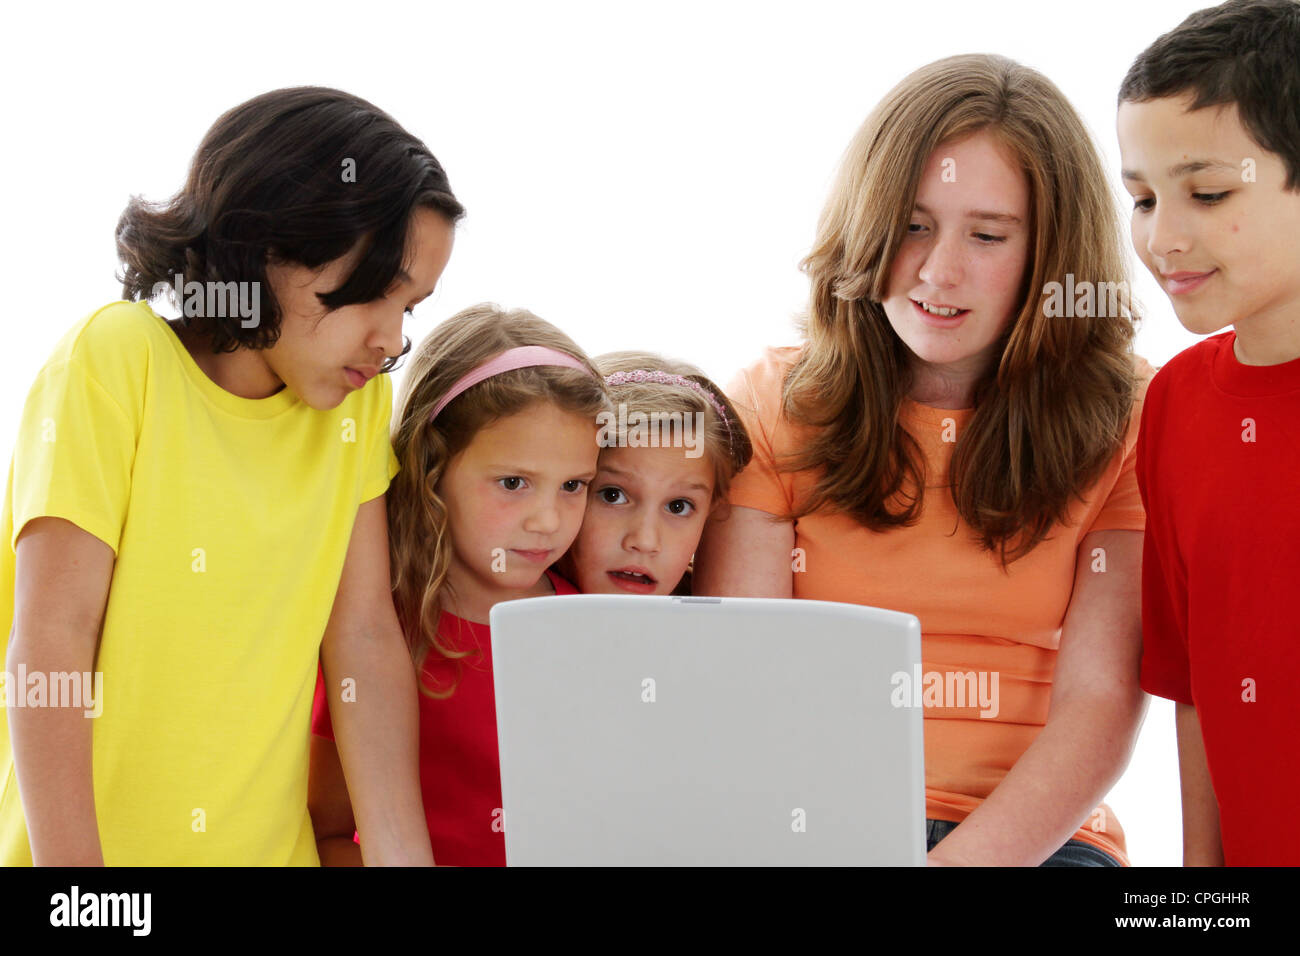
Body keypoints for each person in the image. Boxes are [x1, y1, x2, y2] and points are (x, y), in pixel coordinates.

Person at [695, 54, 1153, 866]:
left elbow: (1100, 707)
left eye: (987, 235)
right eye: (912, 225)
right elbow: (748, 684)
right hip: (815, 823)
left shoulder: (1130, 422)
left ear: (1050, 255)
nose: (940, 272)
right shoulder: (772, 402)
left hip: (1039, 842)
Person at [0, 87, 458, 865]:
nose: (390, 339)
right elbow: (52, 640)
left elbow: (364, 639)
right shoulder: (117, 361)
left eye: (411, 309)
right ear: (265, 244)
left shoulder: (354, 406)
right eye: (374, 294)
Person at [309, 304, 609, 866]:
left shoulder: (594, 629)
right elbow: (327, 835)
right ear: (431, 468)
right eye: (514, 482)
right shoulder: (374, 640)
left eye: (574, 485)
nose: (548, 519)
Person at [1118, 0, 1300, 866]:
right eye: (1144, 197)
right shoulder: (1176, 403)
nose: (1162, 237)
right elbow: (1197, 687)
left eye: (1208, 192)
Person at [557, 351, 752, 596]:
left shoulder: (707, 629)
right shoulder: (506, 618)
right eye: (612, 495)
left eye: (678, 507)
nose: (645, 541)